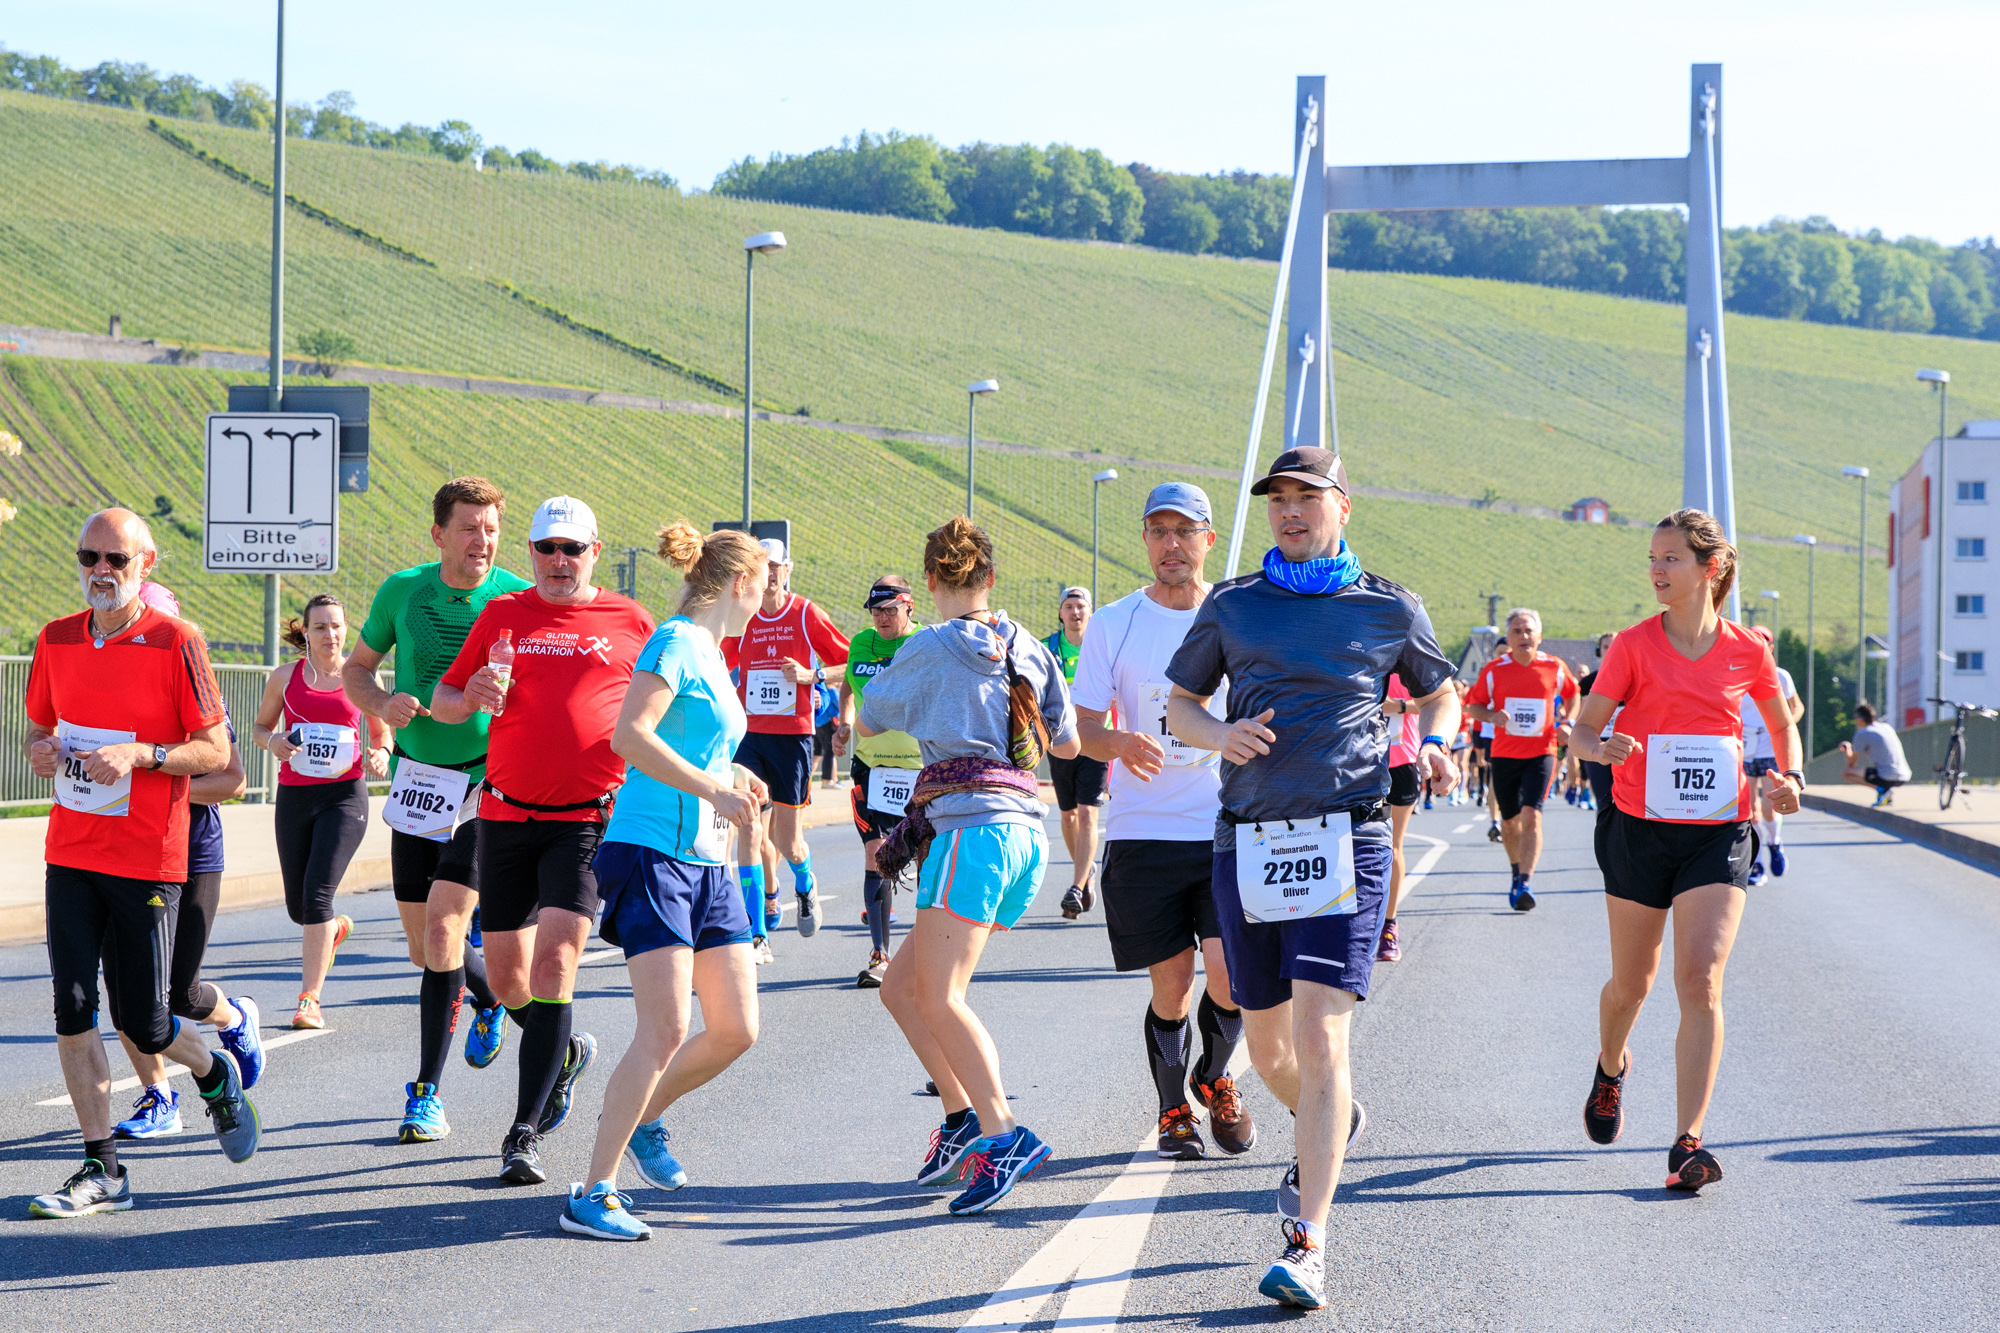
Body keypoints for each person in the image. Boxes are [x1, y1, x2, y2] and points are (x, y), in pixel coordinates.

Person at [1164, 447, 1458, 1311]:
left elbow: (1441, 692)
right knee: (1266, 1046)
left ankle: (1309, 1241)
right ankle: (1331, 1121)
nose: (1290, 512)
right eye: (1278, 500)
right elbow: (1179, 704)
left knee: (1324, 1036)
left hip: (1349, 835)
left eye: (1307, 497)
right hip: (1248, 837)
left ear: (1343, 506)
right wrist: (1218, 736)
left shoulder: (1386, 606)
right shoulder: (1234, 602)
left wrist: (1433, 741)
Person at [24, 509, 260, 1217]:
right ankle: (103, 1168)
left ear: (146, 564)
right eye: (89, 555)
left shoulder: (177, 641)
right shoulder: (56, 638)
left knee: (145, 1019)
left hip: (148, 857)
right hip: (70, 850)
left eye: (116, 560)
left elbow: (217, 752)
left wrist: (143, 754)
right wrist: (42, 750)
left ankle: (214, 1072)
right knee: (71, 1008)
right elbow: (41, 728)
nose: (101, 569)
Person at [1570, 509, 1801, 1195]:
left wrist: (1788, 778)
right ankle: (1611, 1064)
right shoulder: (1634, 646)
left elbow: (1782, 723)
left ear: (1711, 568)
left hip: (1718, 830)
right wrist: (1600, 746)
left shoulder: (1747, 649)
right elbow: (1582, 731)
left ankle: (1686, 1142)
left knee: (1700, 980)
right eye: (1652, 558)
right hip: (1639, 827)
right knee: (1631, 985)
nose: (1657, 570)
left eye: (1670, 558)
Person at [431, 495, 655, 1185]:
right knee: (505, 977)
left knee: (557, 962)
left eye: (573, 549)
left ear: (594, 549)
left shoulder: (631, 620)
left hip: (585, 819)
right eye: (546, 548)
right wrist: (470, 696)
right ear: (530, 553)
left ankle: (521, 1133)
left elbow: (667, 708)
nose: (559, 561)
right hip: (502, 816)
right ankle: (563, 1052)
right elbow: (443, 701)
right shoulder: (503, 615)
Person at [862, 517, 1079, 1216]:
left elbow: (869, 717)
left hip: (969, 831)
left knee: (941, 997)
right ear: (991, 578)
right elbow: (1067, 741)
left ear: (929, 581)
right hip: (1023, 833)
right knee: (903, 988)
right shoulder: (1028, 646)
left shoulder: (930, 645)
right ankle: (961, 1119)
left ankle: (1004, 1133)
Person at [560, 524, 770, 1241]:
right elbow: (630, 736)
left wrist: (738, 779)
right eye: (766, 581)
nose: (770, 595)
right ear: (741, 582)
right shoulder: (675, 640)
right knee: (667, 1025)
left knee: (737, 1026)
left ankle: (644, 1116)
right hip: (653, 851)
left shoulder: (713, 652)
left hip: (708, 860)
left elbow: (696, 746)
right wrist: (715, 786)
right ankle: (593, 1189)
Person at [343, 477, 533, 1143]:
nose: (482, 541)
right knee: (426, 947)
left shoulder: (515, 598)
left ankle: (425, 1092)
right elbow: (356, 667)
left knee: (449, 930)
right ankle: (497, 1006)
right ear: (439, 535)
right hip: (417, 783)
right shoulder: (402, 591)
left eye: (491, 529)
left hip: (487, 783)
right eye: (469, 528)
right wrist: (379, 704)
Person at [1072, 483, 1256, 1161]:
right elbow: (1084, 725)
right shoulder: (1115, 622)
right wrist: (1118, 743)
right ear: (1146, 540)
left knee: (1231, 974)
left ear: (1208, 538)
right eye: (1158, 531)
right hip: (1143, 830)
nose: (1171, 544)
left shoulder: (1238, 617)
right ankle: (1173, 1106)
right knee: (1172, 983)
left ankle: (1216, 1076)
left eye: (1185, 531)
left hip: (1227, 825)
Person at [111, 583, 264, 1140]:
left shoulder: (197, 689)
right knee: (128, 992)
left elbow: (232, 778)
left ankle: (236, 1018)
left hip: (193, 853)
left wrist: (160, 782)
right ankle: (160, 1097)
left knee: (179, 993)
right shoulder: (112, 688)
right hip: (126, 855)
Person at [252, 593, 391, 1029]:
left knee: (317, 897)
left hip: (345, 798)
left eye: (336, 626)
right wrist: (272, 742)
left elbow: (381, 733)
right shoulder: (285, 677)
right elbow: (260, 727)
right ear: (306, 634)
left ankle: (309, 999)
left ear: (346, 630)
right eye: (320, 628)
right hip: (295, 796)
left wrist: (382, 754)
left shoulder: (362, 677)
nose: (330, 635)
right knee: (301, 908)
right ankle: (331, 930)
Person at [721, 538, 850, 961]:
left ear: (787, 569)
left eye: (775, 565)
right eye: (762, 566)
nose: (770, 573)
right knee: (749, 829)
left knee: (787, 840)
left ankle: (805, 881)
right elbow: (716, 658)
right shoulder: (743, 616)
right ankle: (757, 933)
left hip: (793, 737)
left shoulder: (805, 613)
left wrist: (812, 675)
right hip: (749, 736)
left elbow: (850, 663)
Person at [834, 575, 924, 988]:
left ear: (909, 606)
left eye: (891, 609)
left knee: (928, 860)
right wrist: (844, 724)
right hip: (871, 768)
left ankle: (927, 953)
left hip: (921, 769)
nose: (883, 617)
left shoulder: (927, 642)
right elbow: (848, 687)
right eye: (876, 610)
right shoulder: (860, 643)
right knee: (877, 855)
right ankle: (880, 955)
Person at [1463, 608, 1578, 910]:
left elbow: (1572, 694)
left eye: (1529, 631)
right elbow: (1473, 707)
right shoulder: (1494, 670)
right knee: (1510, 821)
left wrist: (1567, 721)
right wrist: (1491, 716)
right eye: (1517, 631)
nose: (1524, 636)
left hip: (1542, 751)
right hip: (1504, 754)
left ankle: (1525, 881)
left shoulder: (1555, 667)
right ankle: (1516, 873)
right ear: (1509, 637)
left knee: (1532, 815)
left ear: (1539, 636)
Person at [1044, 587, 1109, 919]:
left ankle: (1075, 885)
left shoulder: (1102, 646)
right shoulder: (1047, 649)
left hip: (1096, 740)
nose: (1075, 612)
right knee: (1068, 816)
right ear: (1061, 613)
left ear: (1090, 612)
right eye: (1068, 606)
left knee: (1087, 815)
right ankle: (1085, 873)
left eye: (1081, 606)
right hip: (1061, 742)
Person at [1739, 625, 1804, 883]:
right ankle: (1755, 864)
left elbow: (1795, 707)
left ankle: (1775, 843)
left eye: (1763, 642)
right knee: (1749, 810)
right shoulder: (1736, 674)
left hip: (1768, 747)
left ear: (1771, 647)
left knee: (1768, 806)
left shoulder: (1780, 676)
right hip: (1744, 748)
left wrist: (1781, 724)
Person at [1376, 673, 1422, 964]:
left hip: (1401, 763)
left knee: (1392, 846)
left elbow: (1438, 700)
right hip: (1359, 765)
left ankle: (1389, 925)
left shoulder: (1410, 663)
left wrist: (1400, 706)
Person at [1575, 633, 1618, 813]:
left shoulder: (1635, 678)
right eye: (1606, 646)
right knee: (1603, 800)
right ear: (1598, 651)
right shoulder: (1587, 682)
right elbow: (1579, 717)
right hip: (1597, 745)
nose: (1610, 650)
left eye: (1614, 645)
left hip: (1624, 746)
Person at [1839, 702, 1910, 807]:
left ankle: (1882, 790)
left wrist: (1848, 748)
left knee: (1847, 773)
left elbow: (1851, 763)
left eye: (1855, 717)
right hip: (1904, 775)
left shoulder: (1863, 733)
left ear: (1860, 719)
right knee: (1879, 769)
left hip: (1887, 776)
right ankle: (1886, 796)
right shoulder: (1886, 727)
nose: (1855, 720)